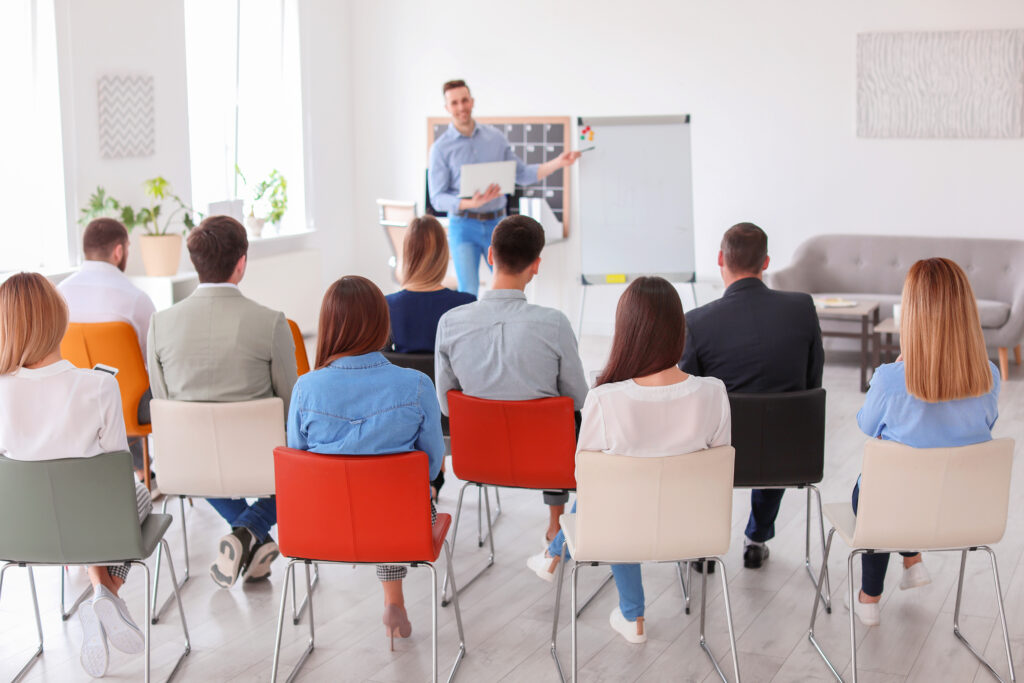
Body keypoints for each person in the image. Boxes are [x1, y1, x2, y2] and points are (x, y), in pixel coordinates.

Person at [526, 277, 731, 644]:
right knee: (621, 493)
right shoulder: (713, 393)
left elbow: (584, 481)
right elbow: (716, 474)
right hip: (693, 532)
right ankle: (559, 559)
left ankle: (622, 606)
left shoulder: (606, 399)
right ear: (678, 330)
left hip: (621, 529)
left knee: (612, 493)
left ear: (626, 331)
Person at [0, 272, 151, 678]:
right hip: (93, 528)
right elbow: (118, 471)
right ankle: (104, 591)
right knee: (137, 495)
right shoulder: (98, 386)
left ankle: (100, 590)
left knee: (86, 512)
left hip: (20, 534)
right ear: (58, 319)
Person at [287, 276, 444, 649]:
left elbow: (299, 460)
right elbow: (433, 467)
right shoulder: (417, 385)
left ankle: (393, 600)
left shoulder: (305, 388)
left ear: (327, 325)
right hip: (404, 527)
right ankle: (393, 599)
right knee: (397, 503)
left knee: (372, 502)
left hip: (321, 528)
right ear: (381, 323)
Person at [148, 215, 297, 589]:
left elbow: (164, 404)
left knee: (196, 451)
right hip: (265, 466)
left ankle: (250, 536)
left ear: (195, 263)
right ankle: (251, 530)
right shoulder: (271, 322)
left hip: (188, 468)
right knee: (307, 459)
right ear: (241, 262)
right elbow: (291, 405)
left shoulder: (160, 325)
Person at [849, 257, 1000, 627]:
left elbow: (866, 426)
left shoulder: (888, 379)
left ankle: (870, 596)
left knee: (878, 490)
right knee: (916, 478)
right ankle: (912, 562)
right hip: (960, 509)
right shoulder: (990, 376)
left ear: (911, 313)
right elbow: (988, 424)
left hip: (895, 506)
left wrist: (898, 373)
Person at [435, 214, 589, 548]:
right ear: (537, 265)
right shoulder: (555, 324)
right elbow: (578, 400)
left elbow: (446, 406)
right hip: (548, 462)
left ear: (490, 255)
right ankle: (557, 524)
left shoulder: (450, 323)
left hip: (479, 458)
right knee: (565, 417)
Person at [679, 222, 823, 570]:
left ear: (719, 259)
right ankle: (757, 538)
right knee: (779, 421)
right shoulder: (802, 309)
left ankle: (704, 546)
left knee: (703, 437)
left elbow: (687, 397)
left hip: (721, 455)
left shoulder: (697, 322)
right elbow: (812, 381)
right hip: (789, 457)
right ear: (767, 261)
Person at [427, 79, 581, 295]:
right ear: (447, 108)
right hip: (463, 226)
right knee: (467, 291)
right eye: (454, 103)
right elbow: (437, 197)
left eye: (464, 100)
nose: (461, 107)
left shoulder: (495, 138)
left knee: (509, 288)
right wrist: (471, 202)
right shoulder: (440, 148)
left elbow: (523, 174)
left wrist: (559, 162)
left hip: (497, 225)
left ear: (472, 101)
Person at [58, 218, 158, 481]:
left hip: (72, 403)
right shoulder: (136, 299)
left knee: (104, 396)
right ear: (119, 251)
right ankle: (149, 474)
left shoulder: (59, 295)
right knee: (143, 391)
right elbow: (155, 360)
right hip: (127, 409)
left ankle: (136, 470)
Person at [386, 215, 475, 353]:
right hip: (448, 375)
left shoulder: (387, 305)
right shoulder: (465, 304)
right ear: (443, 255)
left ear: (407, 255)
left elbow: (382, 361)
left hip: (403, 374)